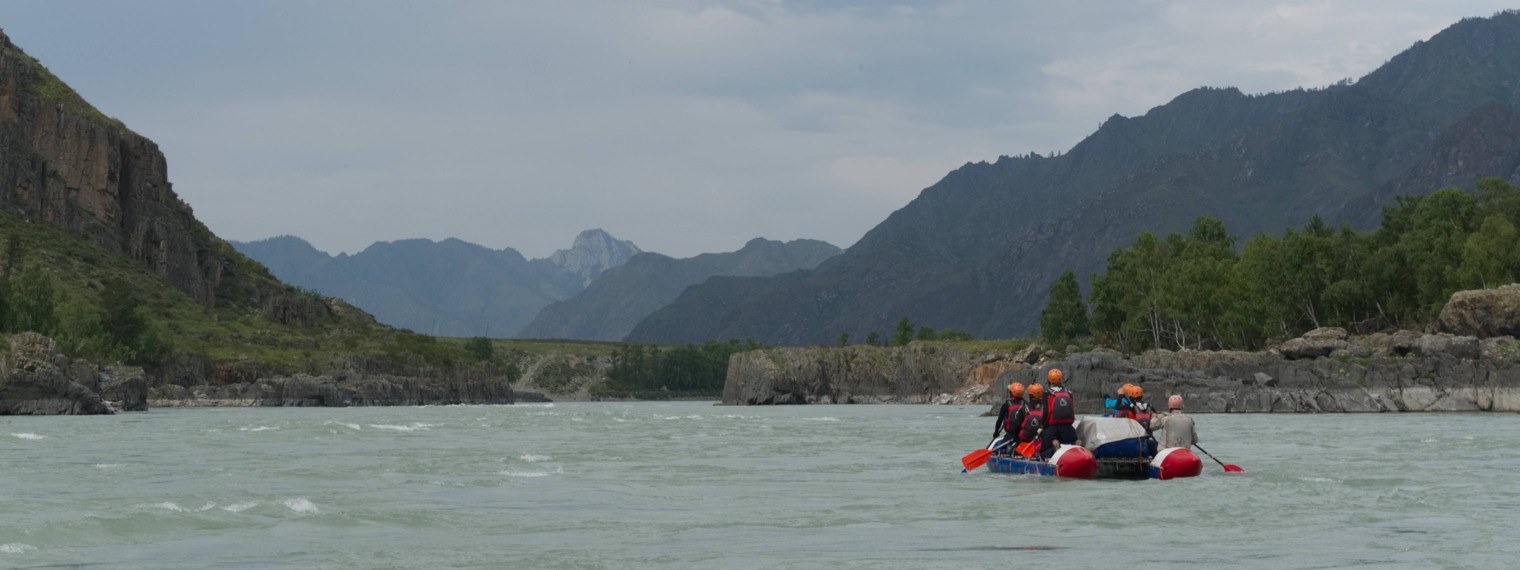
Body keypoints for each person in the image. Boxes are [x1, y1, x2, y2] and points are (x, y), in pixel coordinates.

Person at [1040, 369, 1077, 460]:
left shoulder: (1046, 393)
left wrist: (1042, 426)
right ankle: (1076, 443)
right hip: (1069, 428)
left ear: (1049, 380)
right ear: (1061, 379)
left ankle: (1054, 447)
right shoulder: (1068, 392)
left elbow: (1047, 412)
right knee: (1070, 446)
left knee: (1044, 452)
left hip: (1052, 428)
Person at [991, 383, 1027, 455]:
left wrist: (996, 432)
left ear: (1011, 393)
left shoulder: (1006, 405)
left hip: (1011, 434)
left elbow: (999, 420)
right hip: (1024, 434)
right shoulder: (1026, 404)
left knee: (999, 450)